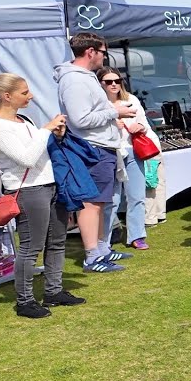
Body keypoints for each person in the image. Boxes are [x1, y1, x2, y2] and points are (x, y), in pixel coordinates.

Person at [0, 74, 85, 318]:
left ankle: (53, 291)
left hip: (49, 185)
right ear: (7, 96)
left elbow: (38, 152)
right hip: (27, 191)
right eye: (25, 92)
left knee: (57, 242)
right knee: (31, 247)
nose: (31, 96)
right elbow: (25, 158)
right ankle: (25, 301)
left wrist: (55, 135)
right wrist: (45, 129)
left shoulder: (23, 119)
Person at [54, 32, 138, 273]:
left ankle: (102, 249)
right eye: (103, 52)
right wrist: (115, 112)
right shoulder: (75, 80)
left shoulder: (83, 78)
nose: (104, 57)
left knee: (101, 202)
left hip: (101, 147)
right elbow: (80, 119)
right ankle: (92, 256)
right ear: (90, 52)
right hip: (92, 149)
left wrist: (112, 111)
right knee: (91, 203)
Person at [96, 67, 157, 251]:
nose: (114, 84)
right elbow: (90, 128)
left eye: (117, 80)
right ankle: (103, 241)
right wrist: (112, 124)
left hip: (132, 151)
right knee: (111, 200)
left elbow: (144, 124)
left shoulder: (131, 100)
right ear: (100, 84)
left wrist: (140, 127)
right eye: (108, 81)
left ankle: (137, 236)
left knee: (136, 196)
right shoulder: (98, 104)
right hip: (110, 152)